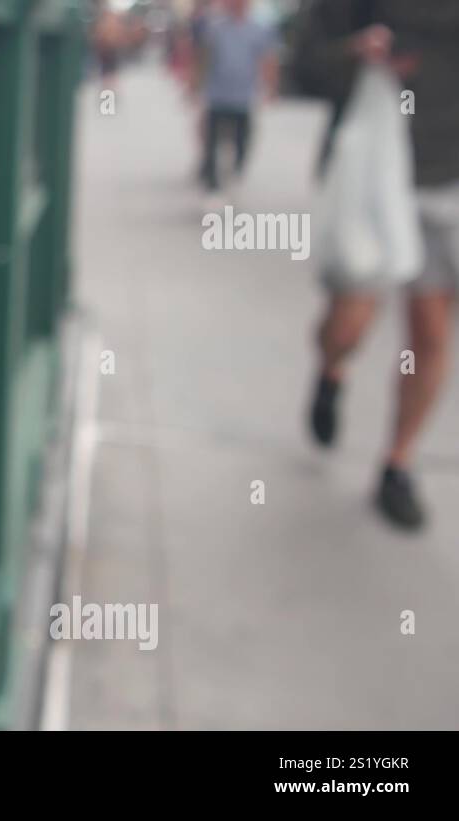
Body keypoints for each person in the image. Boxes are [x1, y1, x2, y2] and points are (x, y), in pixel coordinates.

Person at [296, 0, 459, 530]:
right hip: (375, 172)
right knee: (351, 322)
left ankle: (397, 462)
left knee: (431, 333)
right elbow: (306, 67)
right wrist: (355, 52)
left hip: (447, 182)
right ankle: (331, 368)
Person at [194, 0, 279, 195]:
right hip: (217, 93)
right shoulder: (214, 28)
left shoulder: (260, 29)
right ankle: (212, 182)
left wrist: (271, 87)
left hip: (244, 94)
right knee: (212, 139)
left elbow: (267, 59)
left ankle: (236, 171)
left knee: (242, 138)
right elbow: (203, 59)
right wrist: (196, 86)